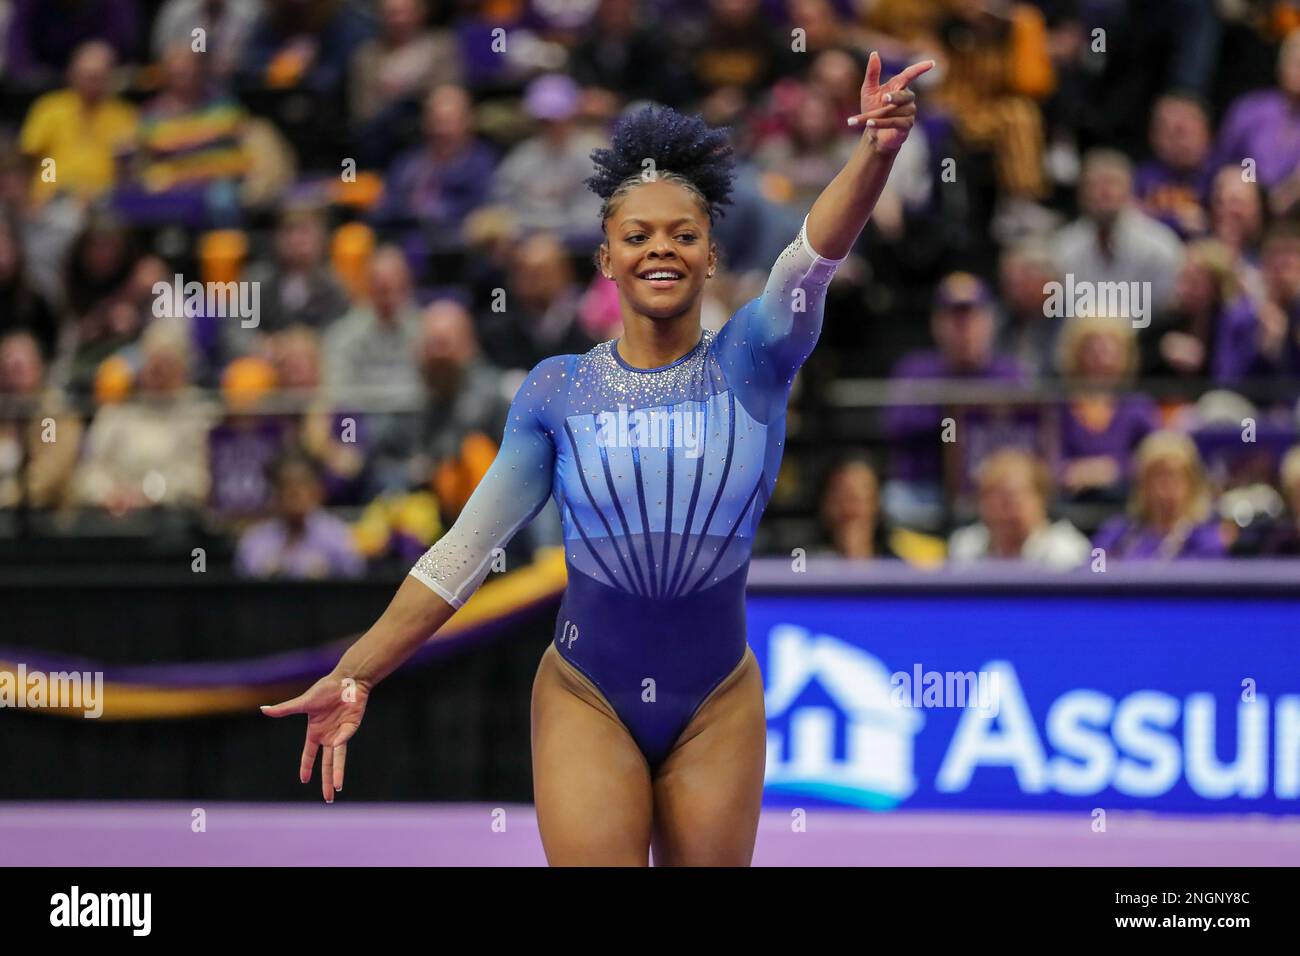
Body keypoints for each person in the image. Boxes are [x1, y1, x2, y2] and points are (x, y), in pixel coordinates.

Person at [262, 54, 935, 866]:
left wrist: (877, 152)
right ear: (606, 259)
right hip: (588, 696)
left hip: (717, 701)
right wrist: (358, 671)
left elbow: (811, 257)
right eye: (638, 236)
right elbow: (462, 555)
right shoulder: (557, 391)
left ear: (713, 257)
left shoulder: (755, 357)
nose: (663, 250)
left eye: (685, 235)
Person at [1091, 430, 1225, 560]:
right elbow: (1092, 573)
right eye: (1157, 476)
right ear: (1142, 484)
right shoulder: (1114, 534)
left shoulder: (1206, 541)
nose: (1166, 487)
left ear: (1192, 484)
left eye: (1175, 477)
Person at [947, 448, 1090, 569]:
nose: (1004, 509)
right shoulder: (965, 547)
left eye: (1014, 497)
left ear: (1041, 499)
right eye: (992, 495)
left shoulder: (1068, 551)